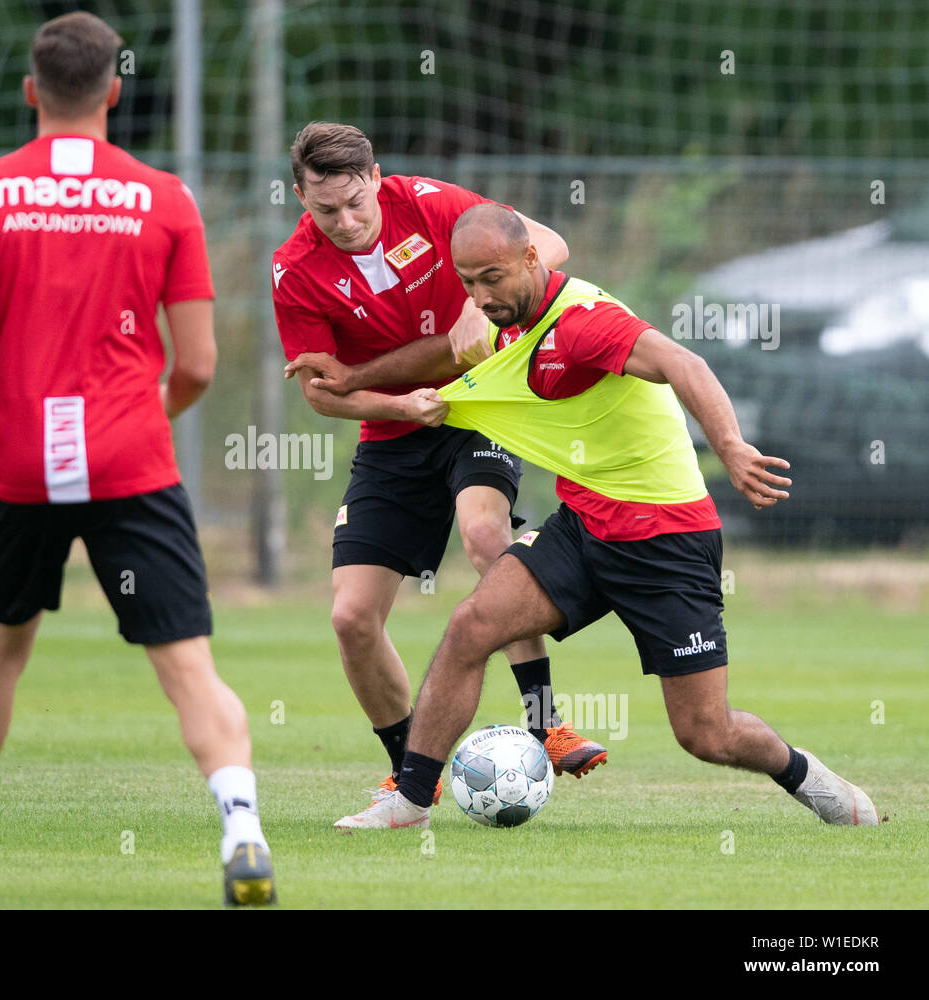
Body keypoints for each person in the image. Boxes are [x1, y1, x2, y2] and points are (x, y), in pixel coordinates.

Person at [0, 11, 276, 904]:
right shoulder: (165, 198)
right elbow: (197, 363)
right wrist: (145, 417)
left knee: (0, 645)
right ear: (116, 90)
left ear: (32, 91)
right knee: (187, 664)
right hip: (131, 462)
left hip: (18, 464)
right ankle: (243, 829)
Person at [335, 202, 879, 829]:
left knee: (707, 733)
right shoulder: (508, 317)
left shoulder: (586, 323)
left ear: (532, 259)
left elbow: (684, 363)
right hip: (585, 524)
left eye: (492, 277)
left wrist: (729, 446)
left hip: (665, 540)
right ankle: (410, 799)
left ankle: (802, 772)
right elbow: (439, 356)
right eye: (467, 282)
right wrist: (352, 379)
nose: (480, 296)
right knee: (471, 626)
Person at [272, 123, 607, 827]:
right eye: (325, 209)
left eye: (357, 203)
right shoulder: (294, 270)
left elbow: (546, 242)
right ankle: (407, 786)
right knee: (351, 617)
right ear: (300, 195)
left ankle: (547, 723)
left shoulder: (425, 203)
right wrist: (396, 402)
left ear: (379, 179)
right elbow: (320, 391)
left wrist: (470, 303)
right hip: (393, 437)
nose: (347, 222)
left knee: (485, 533)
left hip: (479, 412)